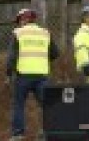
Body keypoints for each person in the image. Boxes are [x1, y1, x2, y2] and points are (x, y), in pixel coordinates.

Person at [6, 7, 59, 141]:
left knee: (19, 104)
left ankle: (18, 134)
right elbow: (55, 53)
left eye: (19, 21)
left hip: (23, 75)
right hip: (41, 75)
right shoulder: (45, 33)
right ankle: (48, 132)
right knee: (46, 105)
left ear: (23, 20)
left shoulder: (18, 33)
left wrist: (8, 74)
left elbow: (12, 57)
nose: (18, 24)